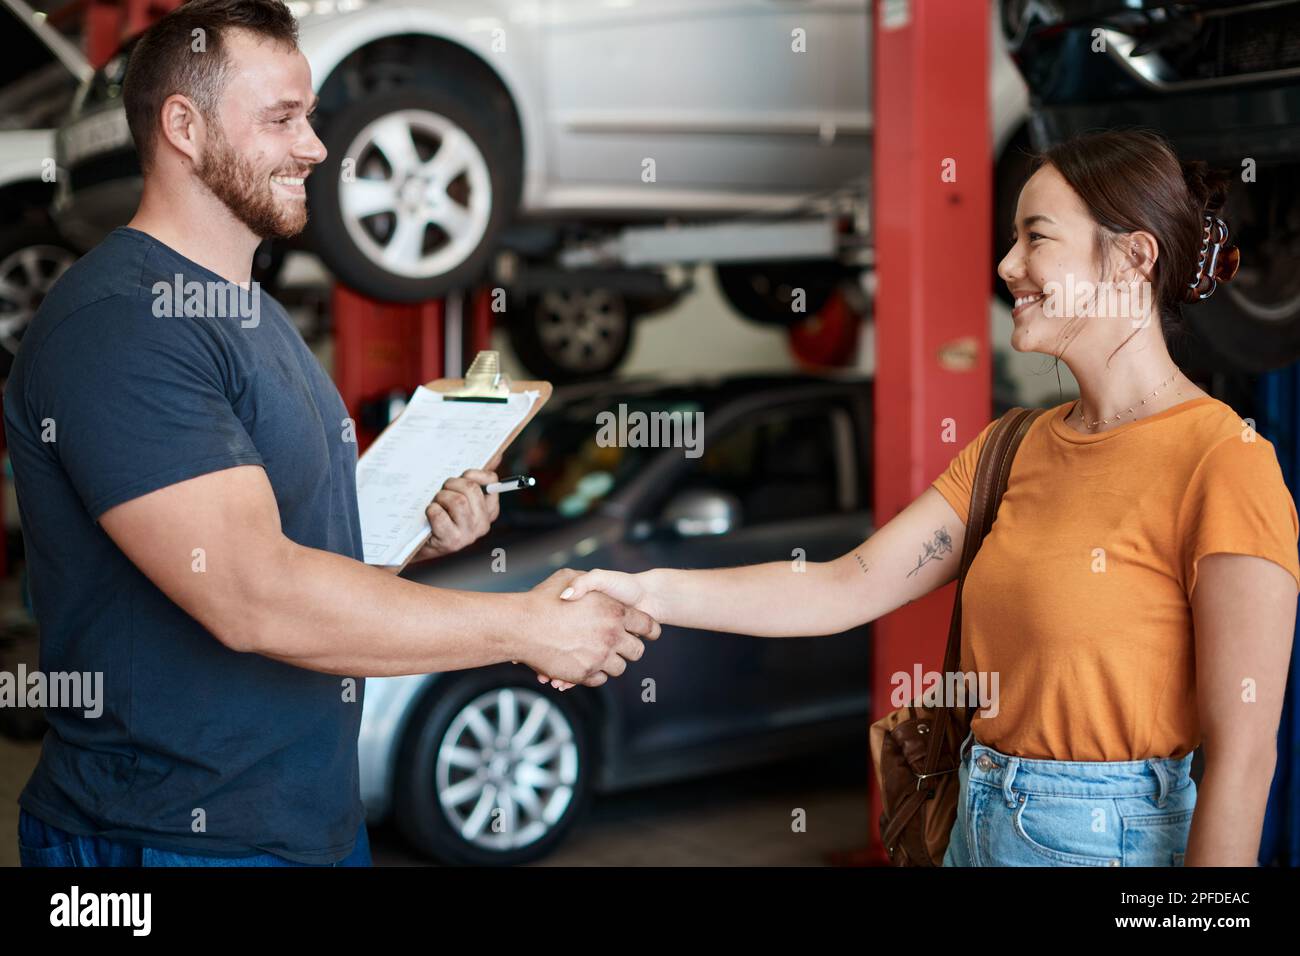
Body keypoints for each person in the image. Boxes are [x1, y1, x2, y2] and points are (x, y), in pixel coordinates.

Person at [4, 0, 656, 868]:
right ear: (184, 127)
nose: (315, 146)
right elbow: (250, 595)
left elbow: (298, 554)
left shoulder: (257, 318)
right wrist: (522, 629)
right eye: (282, 119)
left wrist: (407, 537)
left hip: (308, 821)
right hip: (162, 840)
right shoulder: (122, 324)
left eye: (308, 117)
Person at [554, 129, 1300, 866]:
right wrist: (643, 590)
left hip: (1105, 840)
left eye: (1036, 238)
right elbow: (842, 585)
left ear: (1135, 257)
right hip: (972, 820)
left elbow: (1243, 758)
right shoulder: (1013, 448)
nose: (1008, 265)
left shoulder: (1223, 463)